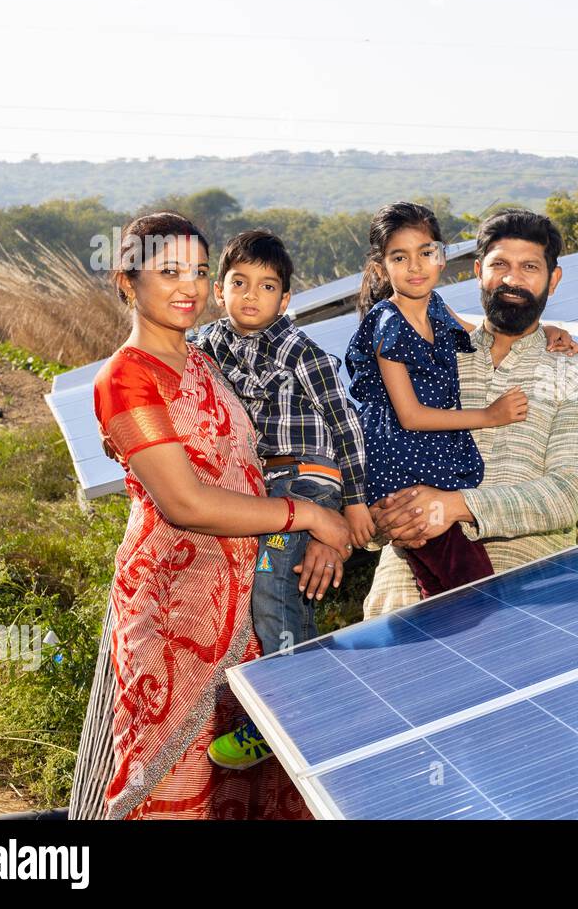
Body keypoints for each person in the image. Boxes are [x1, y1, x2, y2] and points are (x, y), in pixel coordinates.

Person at [89, 211, 352, 819]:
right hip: (173, 608)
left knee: (263, 786)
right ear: (127, 282)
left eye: (201, 272)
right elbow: (185, 502)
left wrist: (327, 514)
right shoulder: (125, 378)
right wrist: (307, 518)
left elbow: (284, 448)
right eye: (169, 271)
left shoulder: (210, 361)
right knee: (179, 785)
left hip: (249, 602)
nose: (191, 286)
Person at [363, 208, 578, 617]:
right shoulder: (425, 358)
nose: (512, 279)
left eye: (529, 266)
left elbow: (565, 495)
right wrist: (381, 518)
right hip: (398, 609)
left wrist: (450, 505)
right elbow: (373, 460)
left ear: (554, 278)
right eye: (500, 265)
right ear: (478, 271)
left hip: (529, 603)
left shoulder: (576, 376)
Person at [192, 228, 371, 770]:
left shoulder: (303, 352)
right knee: (247, 582)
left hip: (306, 478)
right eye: (239, 283)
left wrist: (353, 504)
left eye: (267, 286)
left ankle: (295, 710)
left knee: (272, 581)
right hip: (257, 483)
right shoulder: (203, 347)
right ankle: (304, 691)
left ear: (285, 299)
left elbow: (347, 426)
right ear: (218, 291)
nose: (252, 295)